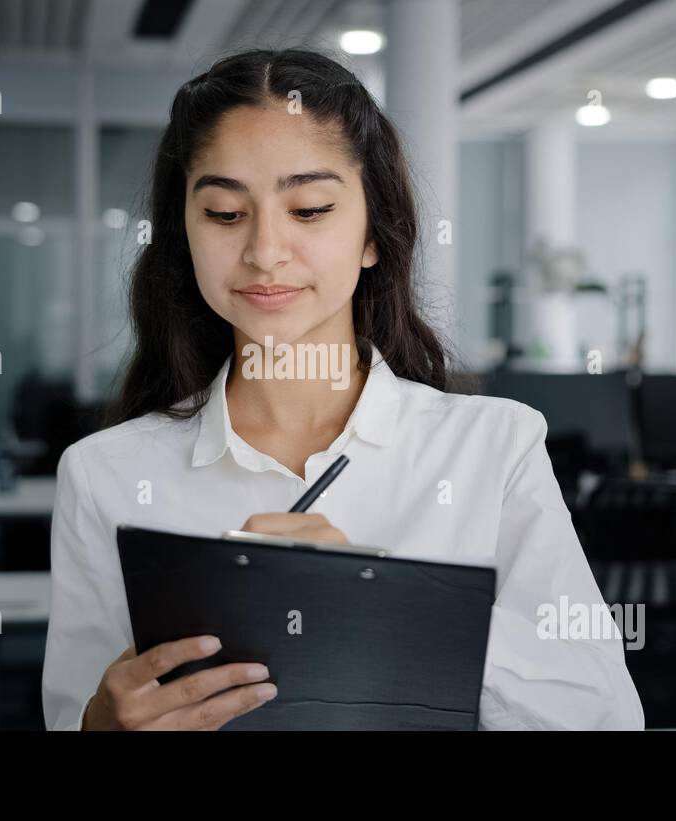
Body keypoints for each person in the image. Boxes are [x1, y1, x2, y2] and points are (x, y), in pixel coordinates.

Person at [43, 48, 644, 731]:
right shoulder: (103, 474)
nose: (265, 251)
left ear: (372, 235)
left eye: (309, 208)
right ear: (184, 234)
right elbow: (75, 715)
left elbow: (601, 717)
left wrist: (376, 615)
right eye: (224, 213)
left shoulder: (495, 448)